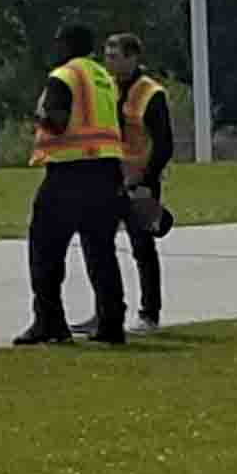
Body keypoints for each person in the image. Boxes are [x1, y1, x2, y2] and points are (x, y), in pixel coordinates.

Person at [17, 21, 129, 347]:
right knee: (100, 252)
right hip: (107, 172)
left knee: (45, 250)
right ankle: (111, 325)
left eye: (58, 43)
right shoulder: (103, 78)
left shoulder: (64, 77)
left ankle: (50, 322)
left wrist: (38, 117)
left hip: (69, 173)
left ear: (66, 45)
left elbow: (57, 121)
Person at [107, 31, 176, 332]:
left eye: (115, 55)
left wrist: (147, 180)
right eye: (107, 55)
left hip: (139, 180)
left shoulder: (150, 93)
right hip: (109, 178)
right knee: (100, 245)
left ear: (133, 57)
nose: (109, 61)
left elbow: (163, 144)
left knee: (142, 246)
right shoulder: (105, 87)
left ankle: (150, 314)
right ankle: (107, 310)